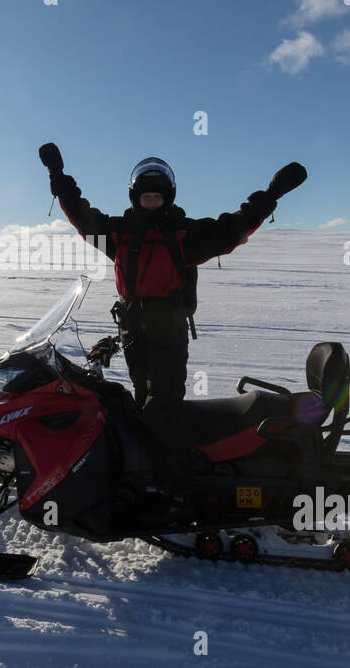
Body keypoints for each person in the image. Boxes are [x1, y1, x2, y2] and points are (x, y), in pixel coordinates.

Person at [37, 142, 307, 524]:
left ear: (167, 198)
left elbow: (234, 227)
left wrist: (272, 193)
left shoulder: (185, 234)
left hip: (168, 333)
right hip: (133, 331)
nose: (151, 201)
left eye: (157, 196)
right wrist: (58, 176)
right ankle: (147, 475)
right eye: (145, 196)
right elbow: (83, 218)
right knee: (140, 404)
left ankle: (180, 495)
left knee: (163, 410)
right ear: (135, 197)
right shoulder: (119, 234)